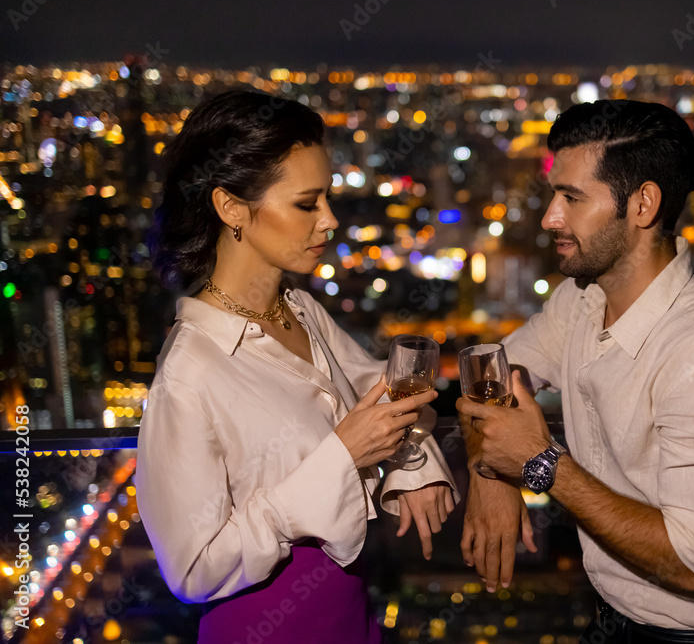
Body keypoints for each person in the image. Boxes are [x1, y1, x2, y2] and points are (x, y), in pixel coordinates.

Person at [459, 100, 694, 643]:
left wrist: (541, 464)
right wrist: (491, 474)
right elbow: (490, 373)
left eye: (572, 198)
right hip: (609, 619)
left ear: (643, 204)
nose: (550, 217)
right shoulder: (581, 302)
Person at [135, 89, 458, 643]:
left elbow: (377, 394)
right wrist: (340, 458)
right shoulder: (190, 375)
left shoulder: (302, 311)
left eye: (327, 199)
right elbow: (192, 570)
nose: (329, 221)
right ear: (231, 207)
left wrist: (414, 462)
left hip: (351, 612)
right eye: (307, 204)